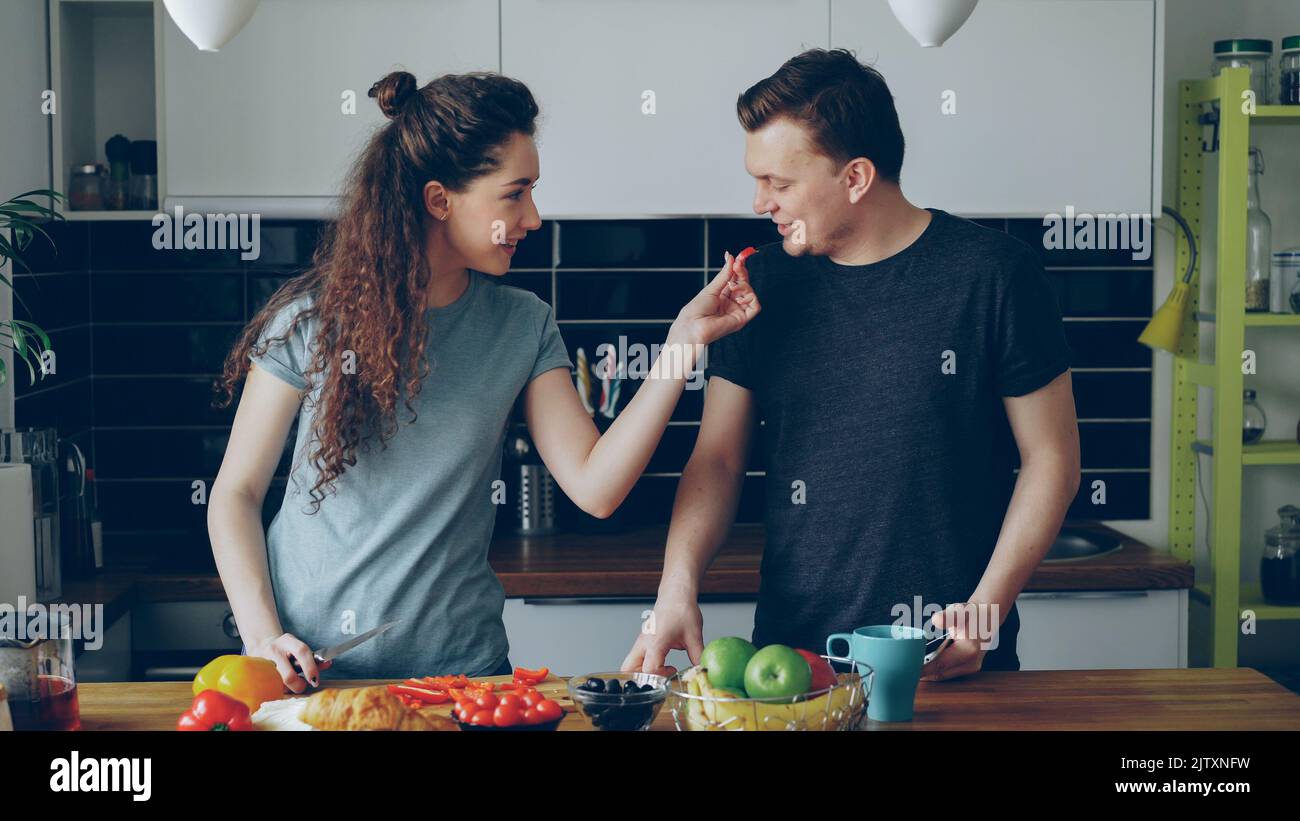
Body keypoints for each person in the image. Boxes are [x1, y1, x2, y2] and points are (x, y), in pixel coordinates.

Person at [207, 70, 759, 692]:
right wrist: (262, 638)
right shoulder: (311, 323)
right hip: (311, 674)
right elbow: (236, 494)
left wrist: (681, 346)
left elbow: (596, 487)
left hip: (467, 680)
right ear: (441, 200)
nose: (533, 216)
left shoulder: (521, 325)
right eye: (514, 193)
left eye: (534, 191)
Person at [622, 49, 1081, 681]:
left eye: (779, 185)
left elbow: (1051, 459)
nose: (760, 203)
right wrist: (676, 587)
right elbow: (718, 460)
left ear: (856, 177)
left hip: (949, 661)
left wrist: (985, 612)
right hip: (789, 667)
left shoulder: (994, 276)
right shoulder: (760, 286)